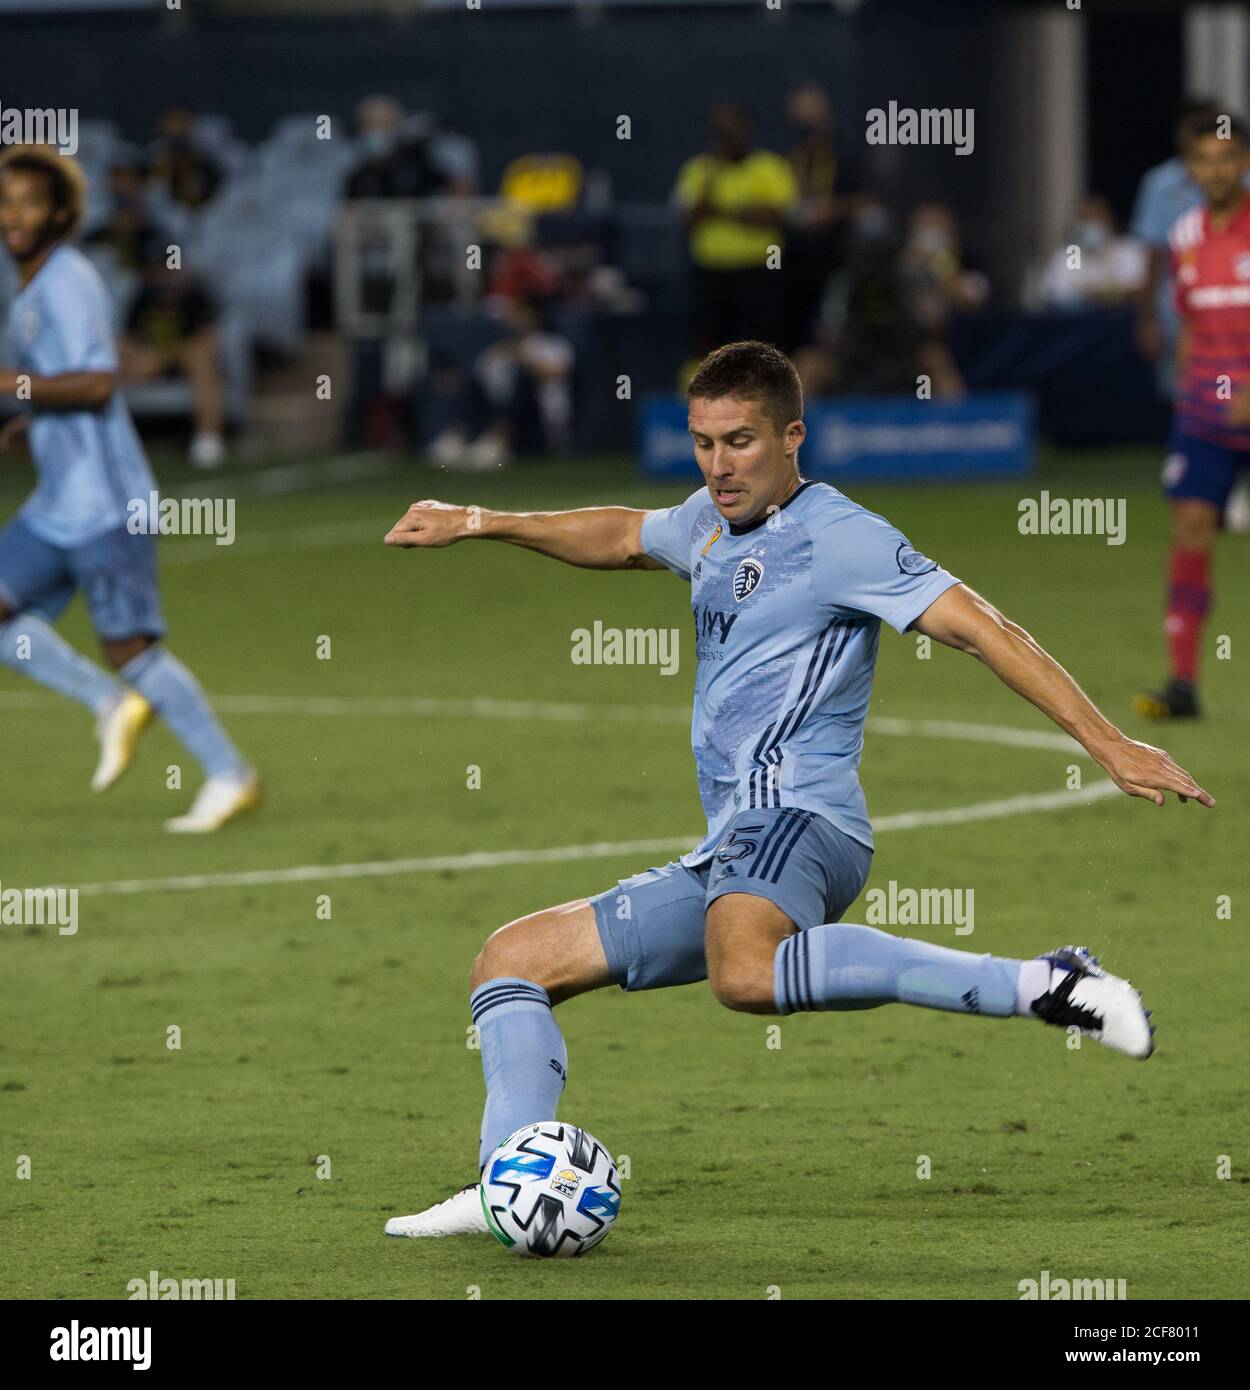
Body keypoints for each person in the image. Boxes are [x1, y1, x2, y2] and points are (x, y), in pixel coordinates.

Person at [380, 339, 1209, 1238]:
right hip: (735, 842)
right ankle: (510, 1178)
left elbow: (985, 629)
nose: (718, 465)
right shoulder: (707, 519)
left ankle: (1044, 984)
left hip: (803, 820)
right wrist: (479, 520)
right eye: (702, 442)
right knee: (512, 960)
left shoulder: (842, 537)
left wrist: (1107, 742)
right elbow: (623, 535)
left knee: (744, 973)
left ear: (792, 436)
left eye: (739, 441)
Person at [0, 145, 260, 831]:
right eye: (6, 201)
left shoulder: (66, 280)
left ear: (59, 211)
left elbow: (97, 382)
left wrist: (10, 387)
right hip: (59, 500)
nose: (14, 215)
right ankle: (107, 703)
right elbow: (66, 386)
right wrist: (33, 420)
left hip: (106, 503)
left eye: (30, 201)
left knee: (133, 650)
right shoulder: (31, 287)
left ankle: (230, 774)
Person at [1136, 114, 1250, 719]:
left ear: (1244, 161)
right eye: (1205, 160)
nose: (1217, 170)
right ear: (1192, 170)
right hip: (1205, 410)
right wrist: (1188, 392)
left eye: (1227, 158)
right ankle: (1183, 683)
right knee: (1191, 532)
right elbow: (1191, 324)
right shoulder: (1184, 235)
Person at [673, 104, 797, 356]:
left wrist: (722, 211)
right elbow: (689, 215)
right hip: (711, 270)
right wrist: (713, 176)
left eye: (735, 131)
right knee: (708, 343)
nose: (729, 138)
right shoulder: (700, 169)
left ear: (749, 131)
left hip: (758, 270)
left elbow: (777, 216)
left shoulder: (770, 167)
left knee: (761, 345)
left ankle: (761, 394)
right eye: (722, 133)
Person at [1035, 196, 1146, 309]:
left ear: (1109, 220)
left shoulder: (1128, 250)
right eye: (1085, 219)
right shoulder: (1072, 255)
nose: (1091, 224)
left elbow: (1139, 288)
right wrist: (1098, 292)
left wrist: (1098, 292)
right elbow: (1058, 292)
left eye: (1097, 217)